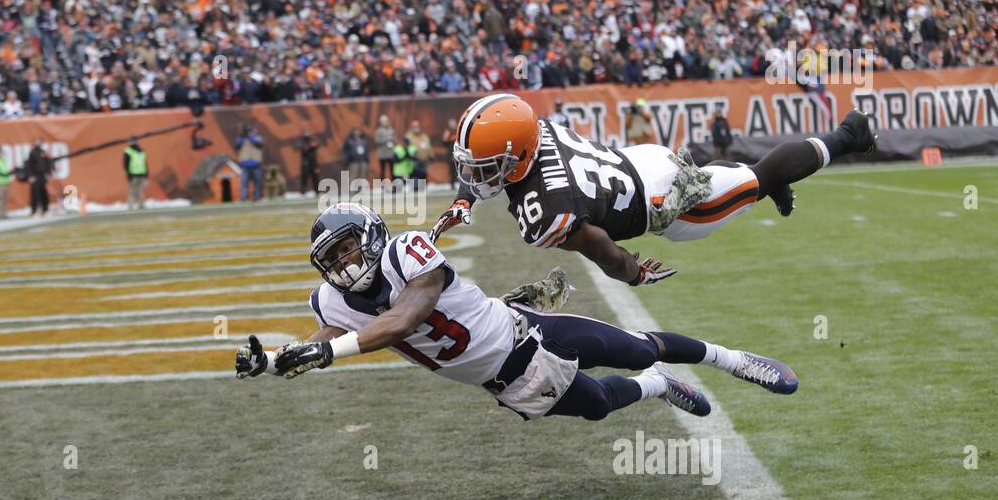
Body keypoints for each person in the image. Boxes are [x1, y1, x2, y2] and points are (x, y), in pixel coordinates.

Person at [235, 203, 796, 424]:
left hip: (527, 334)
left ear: (373, 236)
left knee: (636, 345)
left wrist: (325, 351)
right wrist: (275, 361)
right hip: (501, 380)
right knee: (600, 405)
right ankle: (656, 387)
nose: (344, 263)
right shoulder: (331, 300)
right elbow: (327, 336)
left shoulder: (409, 251)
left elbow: (403, 319)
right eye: (333, 259)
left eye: (349, 247)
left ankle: (733, 359)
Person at [432, 93, 877, 286]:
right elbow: (486, 162)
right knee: (721, 179)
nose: (478, 175)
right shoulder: (537, 128)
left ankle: (847, 135)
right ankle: (758, 183)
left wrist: (633, 273)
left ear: (518, 156)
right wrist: (463, 198)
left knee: (760, 177)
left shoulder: (547, 211)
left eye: (489, 167)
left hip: (662, 205)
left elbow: (602, 248)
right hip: (639, 159)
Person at [235, 122, 264, 202]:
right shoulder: (241, 138)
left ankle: (257, 197)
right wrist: (242, 136)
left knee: (257, 181)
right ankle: (243, 197)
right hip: (245, 163)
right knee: (244, 182)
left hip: (256, 163)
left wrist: (250, 136)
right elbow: (237, 145)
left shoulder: (258, 137)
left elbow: (259, 143)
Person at [25, 142, 51, 216]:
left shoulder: (40, 152)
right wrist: (31, 176)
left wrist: (47, 173)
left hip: (40, 176)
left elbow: (47, 163)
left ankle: (43, 210)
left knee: (41, 193)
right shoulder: (34, 153)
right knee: (37, 194)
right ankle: (35, 211)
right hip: (36, 176)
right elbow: (29, 165)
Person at [123, 137, 148, 210]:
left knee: (131, 191)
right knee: (139, 190)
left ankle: (130, 206)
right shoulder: (141, 151)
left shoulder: (128, 151)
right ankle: (142, 205)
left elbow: (126, 164)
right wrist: (146, 174)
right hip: (142, 173)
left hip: (133, 174)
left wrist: (127, 174)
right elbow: (145, 163)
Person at [0, 145, 14, 218]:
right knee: (0, 199)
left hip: (6, 182)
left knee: (5, 199)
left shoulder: (3, 159)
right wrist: (6, 174)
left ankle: (4, 214)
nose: (1, 152)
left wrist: (10, 173)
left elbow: (5, 169)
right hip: (0, 183)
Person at [374, 115, 396, 182]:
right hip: (382, 153)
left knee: (392, 170)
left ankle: (393, 185)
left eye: (386, 121)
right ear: (380, 122)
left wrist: (392, 139)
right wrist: (386, 139)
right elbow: (376, 141)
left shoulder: (391, 129)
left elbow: (395, 139)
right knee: (382, 171)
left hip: (390, 153)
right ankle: (382, 186)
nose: (385, 122)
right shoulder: (378, 131)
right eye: (383, 121)